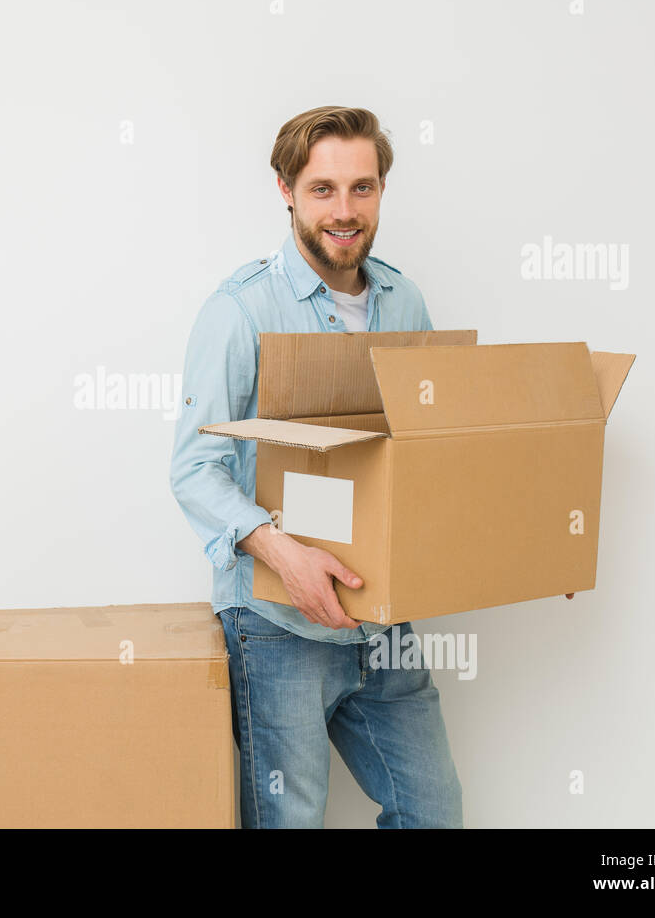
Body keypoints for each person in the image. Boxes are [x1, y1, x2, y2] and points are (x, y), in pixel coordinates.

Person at [170, 106, 470, 828]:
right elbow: (195, 469)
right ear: (286, 191)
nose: (344, 211)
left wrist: (521, 551)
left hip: (381, 622)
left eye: (362, 187)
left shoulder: (404, 302)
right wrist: (285, 555)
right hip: (277, 626)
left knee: (433, 814)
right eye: (323, 189)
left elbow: (430, 453)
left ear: (381, 190)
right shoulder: (240, 311)